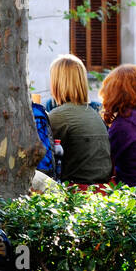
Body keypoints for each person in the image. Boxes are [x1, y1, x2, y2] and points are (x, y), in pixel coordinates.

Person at [47, 54, 112, 186]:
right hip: (102, 190)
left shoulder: (59, 116)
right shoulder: (94, 114)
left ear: (57, 82)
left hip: (76, 193)